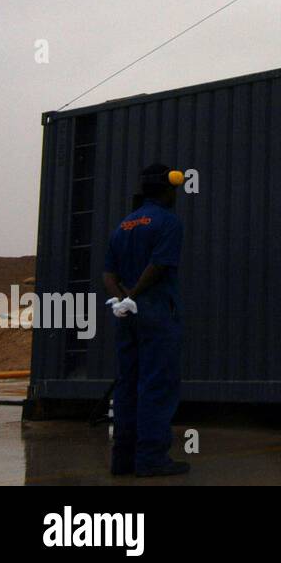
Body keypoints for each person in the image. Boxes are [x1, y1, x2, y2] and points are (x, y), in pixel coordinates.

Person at [102, 163, 189, 477]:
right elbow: (159, 265)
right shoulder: (168, 222)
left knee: (127, 384)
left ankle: (122, 460)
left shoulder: (123, 225)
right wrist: (135, 295)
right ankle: (151, 458)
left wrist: (121, 300)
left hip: (125, 314)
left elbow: (108, 272)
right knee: (157, 383)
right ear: (167, 189)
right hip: (154, 310)